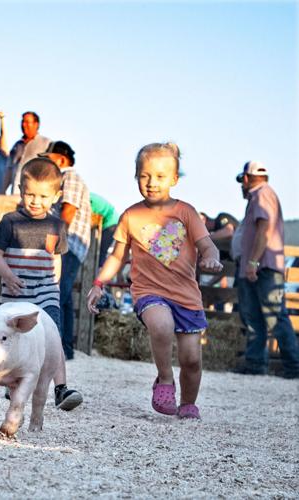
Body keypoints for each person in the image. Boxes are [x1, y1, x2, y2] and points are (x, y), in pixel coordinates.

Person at [87, 143, 222, 419]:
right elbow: (117, 256)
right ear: (136, 176)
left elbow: (208, 245)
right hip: (149, 292)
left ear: (173, 179)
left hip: (186, 296)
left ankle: (187, 404)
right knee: (161, 325)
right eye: (145, 175)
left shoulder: (186, 212)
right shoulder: (130, 216)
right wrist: (99, 283)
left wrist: (210, 257)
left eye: (160, 177)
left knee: (192, 360)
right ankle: (164, 379)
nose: (151, 183)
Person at [0, 158, 84, 411]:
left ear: (56, 196)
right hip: (15, 292)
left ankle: (61, 389)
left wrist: (55, 286)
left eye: (42, 196)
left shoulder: (57, 225)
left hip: (45, 291)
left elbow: (57, 258)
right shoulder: (10, 221)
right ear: (20, 190)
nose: (35, 201)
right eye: (29, 194)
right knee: (11, 337)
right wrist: (7, 275)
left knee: (54, 337)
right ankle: (14, 382)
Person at [231, 161, 298, 378]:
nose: (242, 185)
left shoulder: (262, 194)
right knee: (255, 318)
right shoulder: (260, 196)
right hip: (259, 266)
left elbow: (264, 229)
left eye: (242, 180)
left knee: (274, 316)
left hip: (262, 267)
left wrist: (252, 263)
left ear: (247, 178)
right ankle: (255, 366)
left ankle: (293, 367)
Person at [39, 141, 91, 360]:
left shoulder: (68, 178)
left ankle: (50, 348)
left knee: (55, 293)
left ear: (60, 159)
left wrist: (53, 241)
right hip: (72, 244)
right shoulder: (71, 178)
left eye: (48, 158)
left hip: (67, 243)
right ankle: (65, 349)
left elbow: (68, 210)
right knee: (65, 296)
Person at [7, 111, 51, 195]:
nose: (24, 125)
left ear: (36, 124)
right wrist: (2, 190)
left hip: (34, 192)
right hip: (15, 192)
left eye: (27, 122)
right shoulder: (17, 145)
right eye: (22, 122)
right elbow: (9, 169)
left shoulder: (46, 143)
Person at [89, 193, 118, 267]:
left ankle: (100, 273)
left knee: (101, 251)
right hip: (111, 221)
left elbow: (89, 222)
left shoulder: (87, 200)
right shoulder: (88, 196)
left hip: (111, 223)